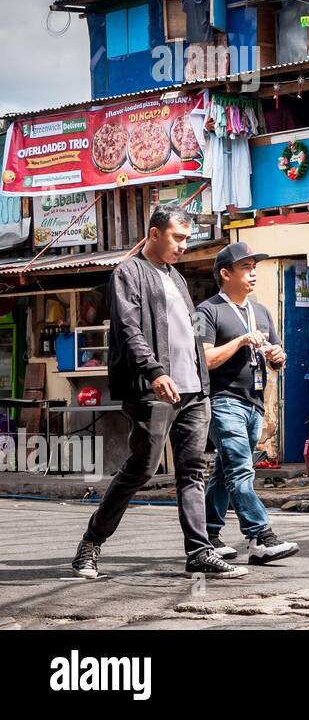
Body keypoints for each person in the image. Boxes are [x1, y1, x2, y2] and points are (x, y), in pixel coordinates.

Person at [71, 207, 245, 579]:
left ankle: (199, 552)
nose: (183, 246)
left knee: (193, 471)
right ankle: (90, 543)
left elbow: (190, 334)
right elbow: (129, 330)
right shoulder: (128, 272)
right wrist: (155, 372)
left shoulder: (177, 279)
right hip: (154, 389)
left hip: (194, 390)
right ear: (154, 234)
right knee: (142, 467)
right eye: (177, 238)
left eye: (186, 239)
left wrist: (200, 378)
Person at [196, 242, 299, 565]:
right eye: (245, 267)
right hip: (223, 400)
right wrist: (240, 340)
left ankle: (209, 536)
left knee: (225, 471)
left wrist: (278, 357)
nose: (253, 273)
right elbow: (204, 359)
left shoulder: (262, 311)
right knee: (241, 469)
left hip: (254, 402)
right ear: (225, 274)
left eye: (254, 267)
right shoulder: (208, 311)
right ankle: (260, 536)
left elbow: (276, 356)